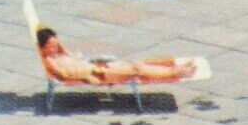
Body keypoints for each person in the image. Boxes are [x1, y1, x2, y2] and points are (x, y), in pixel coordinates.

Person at [35, 26, 197, 84]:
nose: (55, 48)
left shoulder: (58, 54)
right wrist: (89, 74)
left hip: (99, 68)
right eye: (51, 46)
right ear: (43, 47)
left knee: (137, 65)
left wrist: (56, 43)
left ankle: (178, 69)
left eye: (56, 44)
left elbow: (64, 51)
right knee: (138, 70)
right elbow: (65, 75)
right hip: (99, 73)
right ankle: (179, 72)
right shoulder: (51, 62)